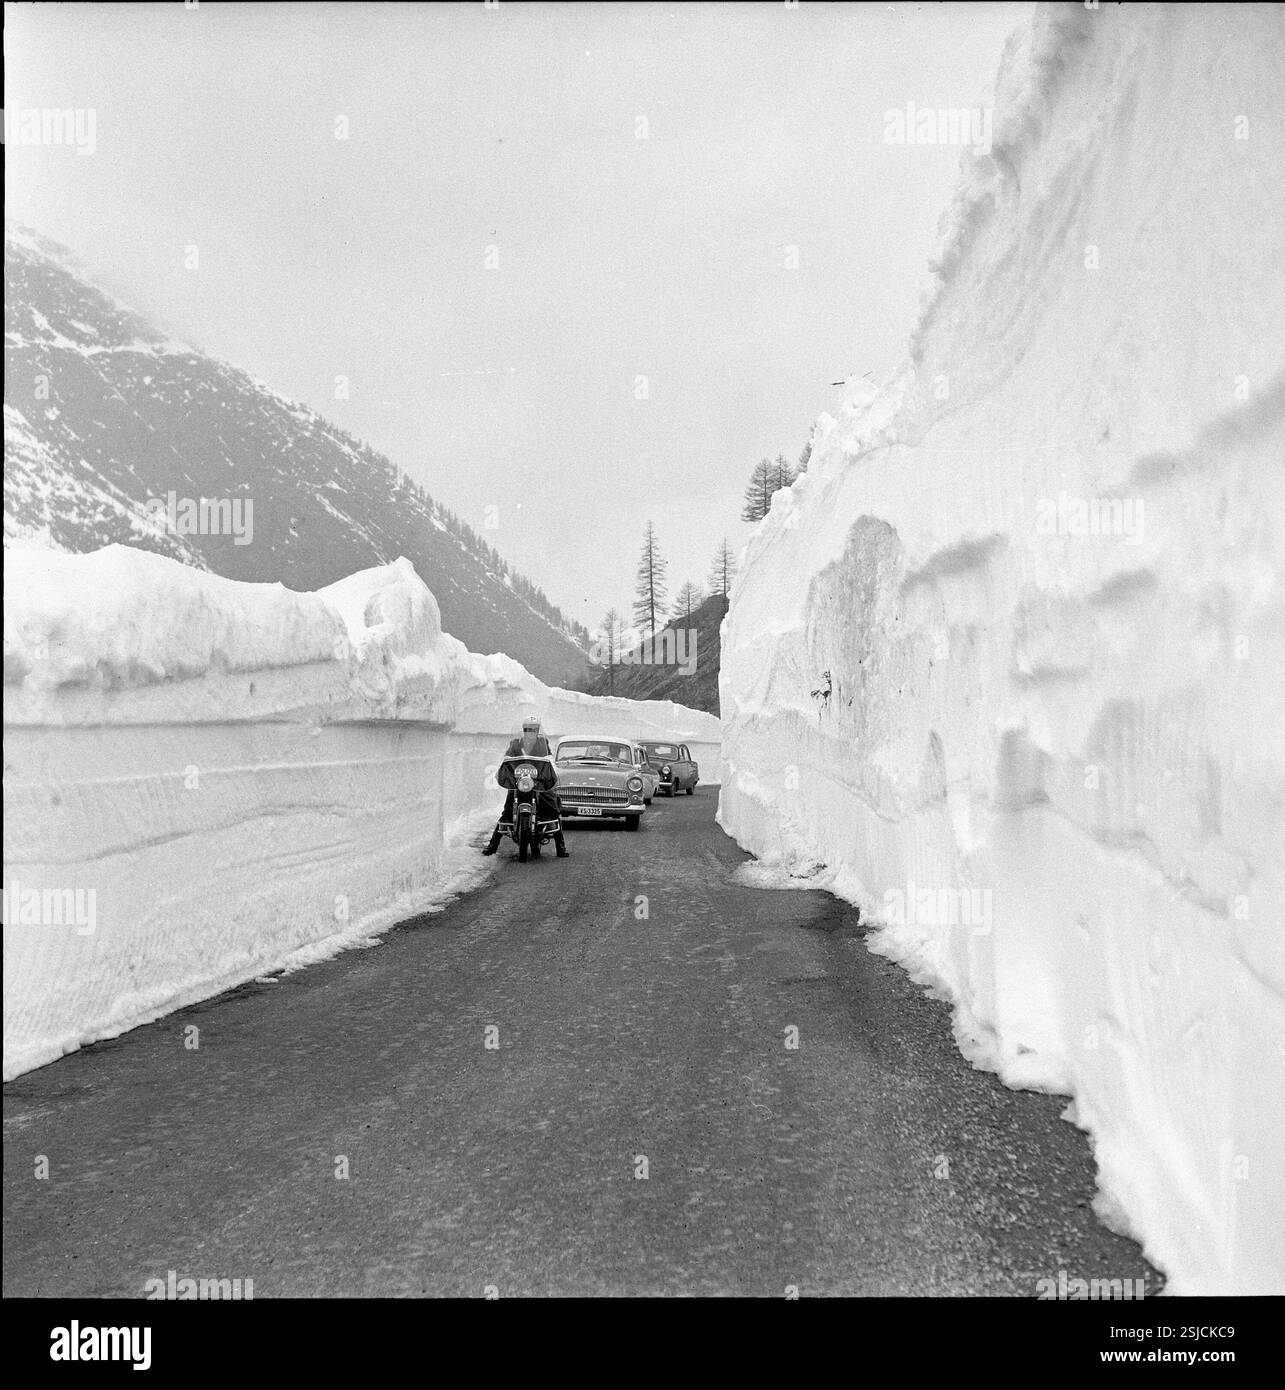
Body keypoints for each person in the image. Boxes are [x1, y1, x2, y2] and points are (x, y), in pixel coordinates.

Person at [481, 715, 569, 857]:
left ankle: (561, 847)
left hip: (538, 781)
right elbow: (508, 756)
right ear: (523, 730)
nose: (530, 732)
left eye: (533, 729)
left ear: (538, 730)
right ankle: (492, 845)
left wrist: (551, 763)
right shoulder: (516, 743)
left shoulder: (542, 742)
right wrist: (505, 761)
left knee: (552, 806)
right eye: (527, 729)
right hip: (520, 782)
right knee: (507, 809)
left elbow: (549, 757)